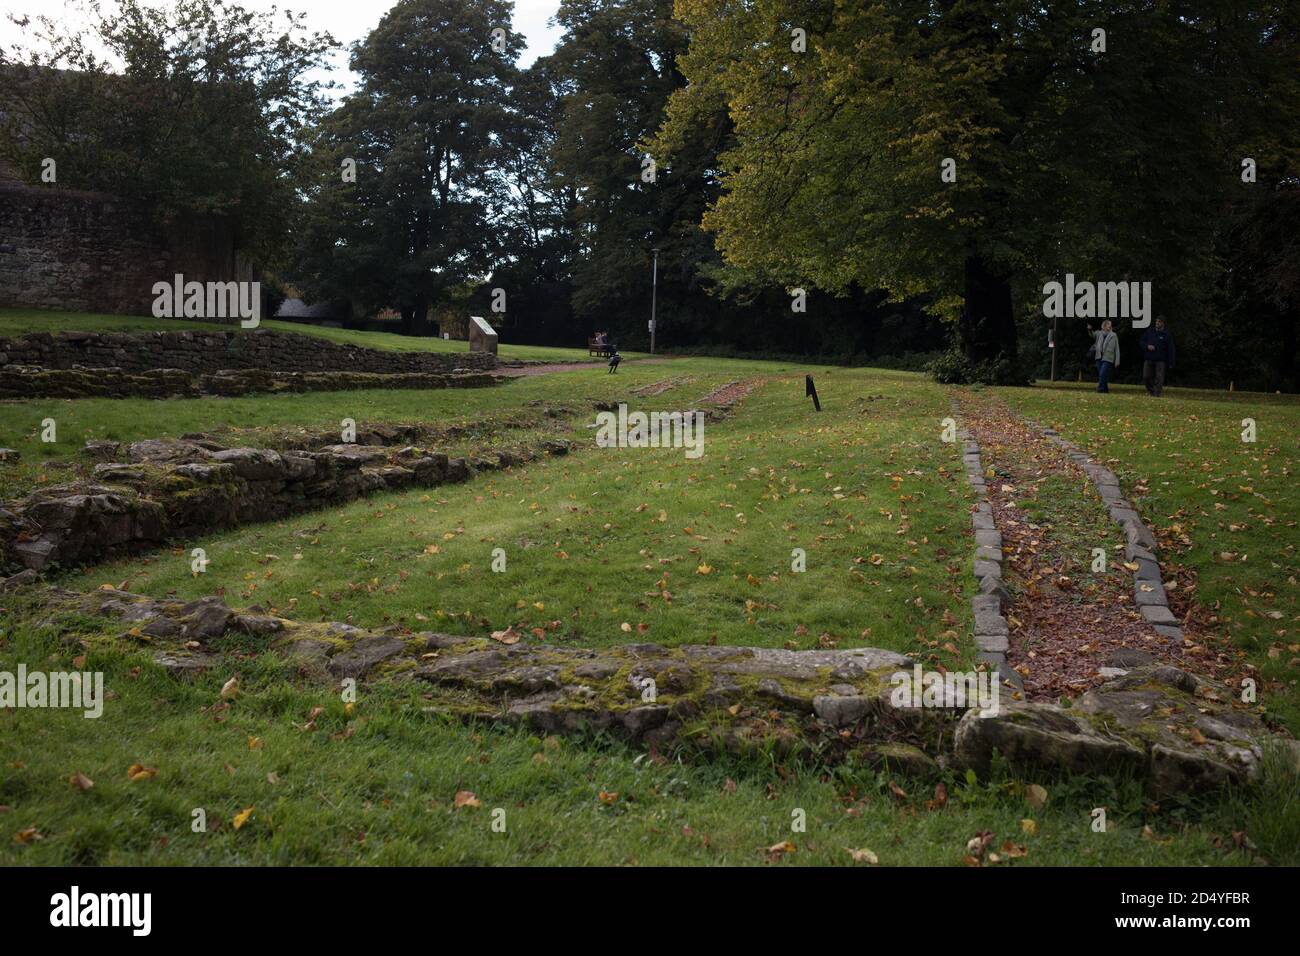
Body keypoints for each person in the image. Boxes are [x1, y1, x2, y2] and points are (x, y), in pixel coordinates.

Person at [1140, 317, 1175, 396]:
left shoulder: (1166, 334)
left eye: (1159, 322)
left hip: (1161, 360)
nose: (1157, 323)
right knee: (1146, 376)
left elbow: (1171, 349)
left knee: (1159, 378)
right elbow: (1142, 341)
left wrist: (1171, 362)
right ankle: (1152, 391)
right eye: (1156, 321)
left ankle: (1156, 394)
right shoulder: (1150, 331)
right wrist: (1147, 346)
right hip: (1149, 358)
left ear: (1163, 323)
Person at [1087, 320, 1120, 393]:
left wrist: (1117, 360)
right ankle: (1105, 390)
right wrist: (1089, 329)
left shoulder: (1113, 335)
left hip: (1108, 358)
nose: (1110, 326)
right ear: (1104, 326)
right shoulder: (1098, 333)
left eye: (1110, 325)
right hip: (1098, 357)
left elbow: (1117, 348)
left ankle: (1100, 389)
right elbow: (1092, 335)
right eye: (1108, 324)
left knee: (1102, 373)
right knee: (1102, 375)